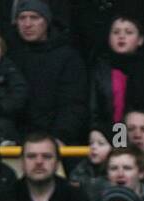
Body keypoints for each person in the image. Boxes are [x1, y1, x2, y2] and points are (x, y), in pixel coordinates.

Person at [7, 0, 88, 144]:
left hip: (54, 142)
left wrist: (60, 136)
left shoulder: (68, 57)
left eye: (34, 18)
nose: (27, 24)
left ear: (46, 21)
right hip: (13, 142)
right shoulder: (8, 55)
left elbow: (73, 104)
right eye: (22, 18)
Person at [88, 13, 144, 133]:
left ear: (140, 40)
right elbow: (93, 110)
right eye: (116, 32)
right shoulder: (99, 70)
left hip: (142, 138)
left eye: (128, 32)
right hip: (109, 137)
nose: (121, 36)